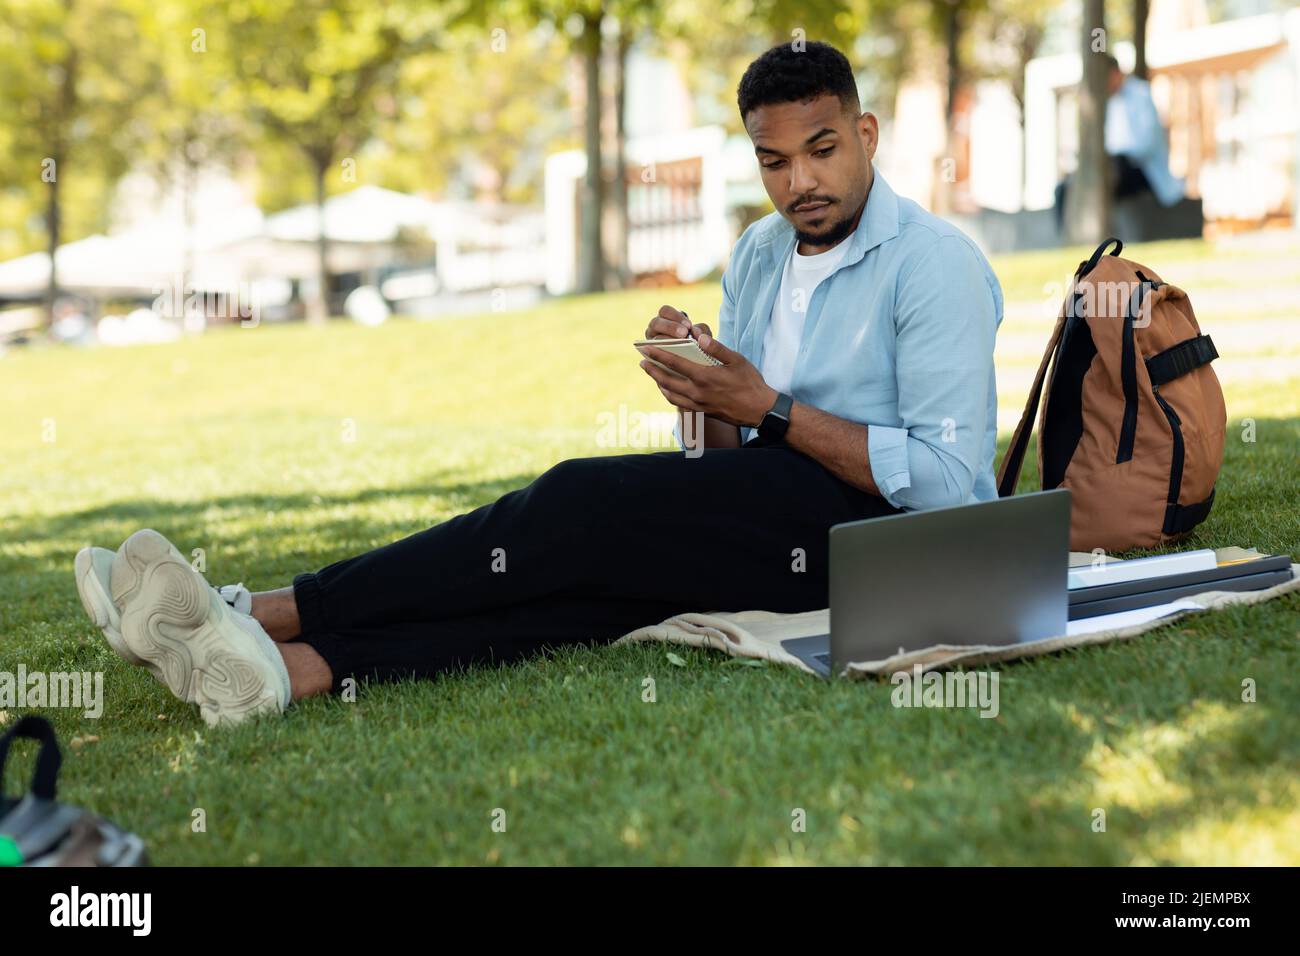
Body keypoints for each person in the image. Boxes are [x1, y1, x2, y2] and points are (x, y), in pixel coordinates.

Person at [73, 41, 1004, 727]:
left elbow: (947, 484)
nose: (800, 180)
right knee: (587, 599)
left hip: (889, 547)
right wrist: (703, 395)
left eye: (823, 149)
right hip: (770, 510)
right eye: (774, 160)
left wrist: (767, 407)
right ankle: (294, 670)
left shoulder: (934, 266)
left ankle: (263, 610)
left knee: (574, 503)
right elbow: (724, 460)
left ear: (866, 134)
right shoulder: (760, 255)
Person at [1054, 53, 1186, 233]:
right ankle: (1068, 236)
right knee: (1063, 188)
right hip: (1113, 165)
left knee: (1110, 172)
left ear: (1115, 73)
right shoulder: (1106, 102)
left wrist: (1115, 154)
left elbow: (1147, 143)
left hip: (1141, 170)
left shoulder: (1141, 94)